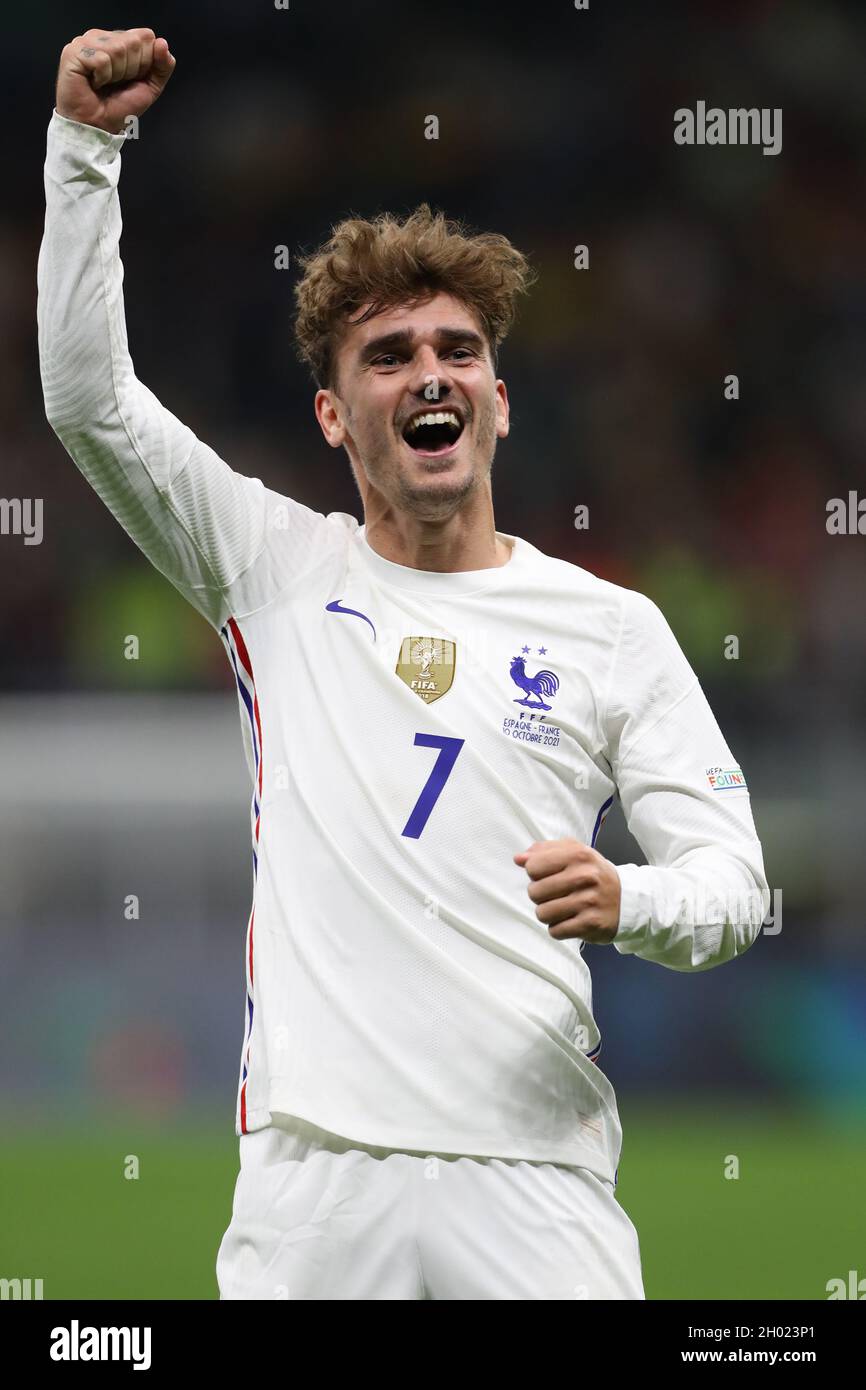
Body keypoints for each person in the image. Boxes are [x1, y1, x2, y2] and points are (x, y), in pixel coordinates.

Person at [38, 28, 770, 1301]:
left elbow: (732, 884)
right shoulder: (269, 568)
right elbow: (89, 401)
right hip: (315, 1182)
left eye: (456, 351)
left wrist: (625, 896)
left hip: (536, 1178)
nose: (427, 372)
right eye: (387, 357)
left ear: (495, 398)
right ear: (335, 415)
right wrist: (85, 149)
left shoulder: (611, 627)